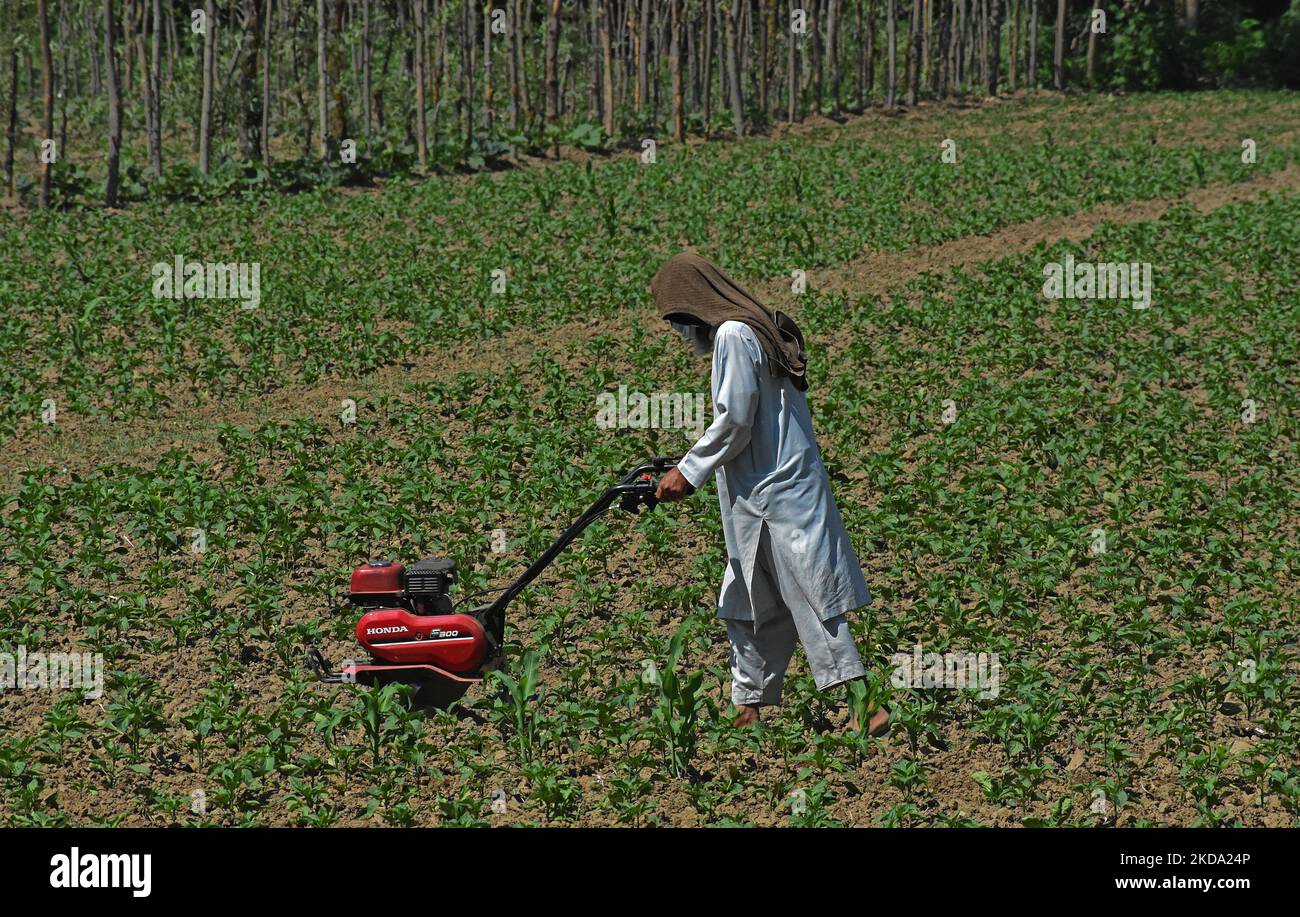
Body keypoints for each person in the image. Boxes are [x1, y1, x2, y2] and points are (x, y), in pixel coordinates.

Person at [651, 252, 889, 736]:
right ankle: (748, 707)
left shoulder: (735, 335)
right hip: (759, 494)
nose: (680, 333)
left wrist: (687, 471)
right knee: (744, 598)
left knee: (810, 598)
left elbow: (735, 418)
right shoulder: (749, 329)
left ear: (694, 305)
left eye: (678, 320)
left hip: (778, 494)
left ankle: (866, 705)